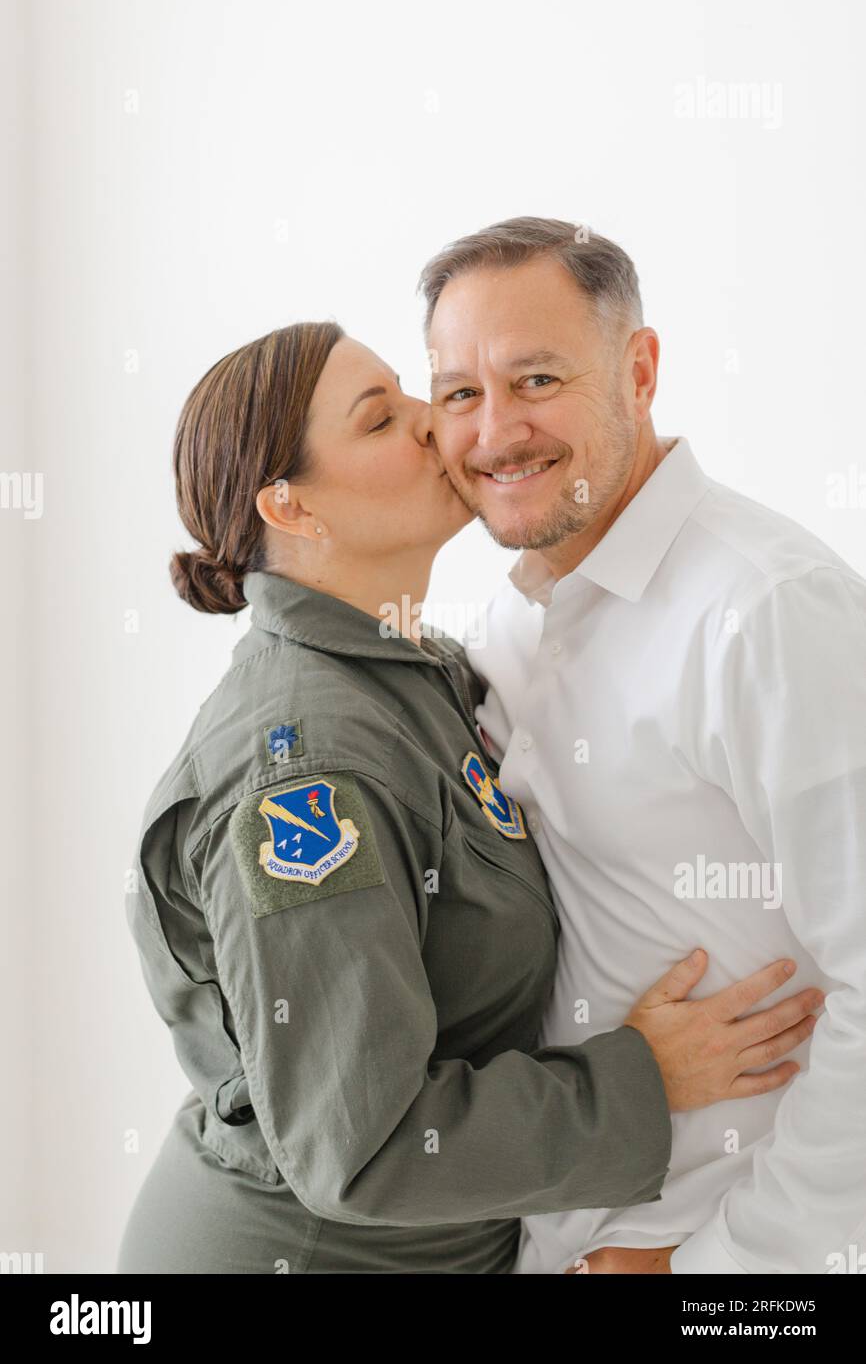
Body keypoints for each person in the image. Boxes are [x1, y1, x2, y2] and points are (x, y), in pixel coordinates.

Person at [116, 321, 822, 1275]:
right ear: (292, 509)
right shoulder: (306, 772)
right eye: (380, 421)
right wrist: (644, 1080)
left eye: (414, 396)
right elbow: (359, 1145)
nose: (436, 425)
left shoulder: (420, 673)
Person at [420, 214, 866, 1275]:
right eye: (458, 395)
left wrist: (717, 1267)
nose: (494, 433)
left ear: (639, 368)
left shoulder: (767, 610)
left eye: (535, 380)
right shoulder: (505, 629)